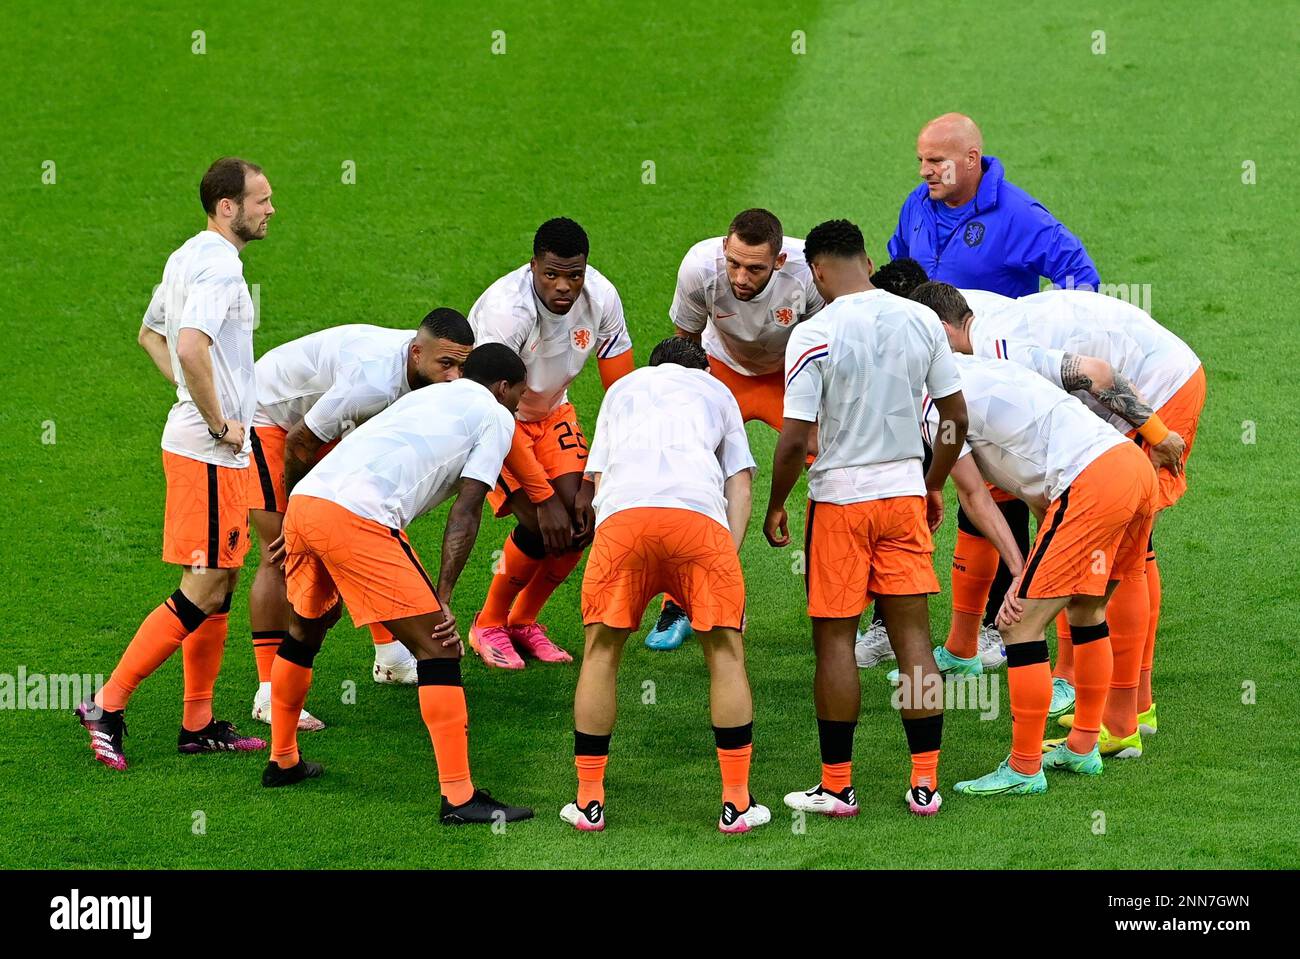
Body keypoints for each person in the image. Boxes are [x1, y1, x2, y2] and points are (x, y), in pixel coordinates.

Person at [912, 281, 1203, 753]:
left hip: (1157, 391)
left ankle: (1044, 755)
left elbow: (1098, 373)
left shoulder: (972, 361)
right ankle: (1120, 719)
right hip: (1111, 445)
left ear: (938, 329)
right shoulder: (976, 331)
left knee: (1033, 615)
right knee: (1094, 591)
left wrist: (1156, 431)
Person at [263, 344, 534, 826]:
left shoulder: (424, 396)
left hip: (308, 501)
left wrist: (296, 519)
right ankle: (459, 798)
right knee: (440, 649)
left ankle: (282, 760)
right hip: (358, 517)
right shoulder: (496, 415)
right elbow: (467, 509)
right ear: (504, 388)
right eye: (517, 394)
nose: (518, 404)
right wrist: (443, 598)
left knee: (306, 631)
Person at [764, 219, 968, 817]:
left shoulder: (814, 333)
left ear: (819, 270)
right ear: (868, 260)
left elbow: (795, 436)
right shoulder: (922, 318)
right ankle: (925, 784)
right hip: (904, 494)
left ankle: (836, 786)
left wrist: (778, 501)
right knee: (914, 640)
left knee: (835, 642)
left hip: (841, 504)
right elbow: (955, 417)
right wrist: (931, 484)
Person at [78, 157, 274, 770]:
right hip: (209, 452)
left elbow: (149, 335)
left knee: (222, 583)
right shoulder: (220, 268)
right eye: (262, 200)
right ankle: (107, 704)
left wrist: (195, 398)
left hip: (213, 449)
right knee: (206, 585)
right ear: (227, 208)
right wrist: (215, 419)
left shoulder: (187, 254)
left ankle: (198, 723)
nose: (271, 210)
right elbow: (188, 345)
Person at [888, 113, 1102, 665]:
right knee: (952, 493)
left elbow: (1080, 280)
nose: (924, 171)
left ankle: (1008, 626)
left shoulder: (1019, 216)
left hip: (998, 384)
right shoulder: (918, 204)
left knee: (1009, 496)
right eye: (920, 160)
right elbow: (900, 271)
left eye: (935, 162)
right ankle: (927, 627)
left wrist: (1042, 345)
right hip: (931, 379)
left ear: (971, 158)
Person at [563, 337, 767, 833]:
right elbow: (739, 484)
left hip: (623, 524)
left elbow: (593, 482)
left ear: (655, 365)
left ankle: (589, 803)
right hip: (698, 525)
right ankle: (737, 805)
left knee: (601, 653)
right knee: (725, 654)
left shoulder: (624, 389)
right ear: (703, 368)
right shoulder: (717, 391)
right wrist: (725, 555)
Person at [930, 360, 1158, 795]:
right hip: (1131, 467)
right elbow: (1042, 493)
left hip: (1092, 480)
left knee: (1017, 625)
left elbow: (975, 496)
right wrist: (1033, 566)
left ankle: (1023, 768)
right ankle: (1082, 747)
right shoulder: (982, 366)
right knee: (1087, 609)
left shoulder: (934, 402)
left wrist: (1018, 572)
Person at [245, 310, 474, 732]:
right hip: (269, 419)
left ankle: (390, 657)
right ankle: (267, 693)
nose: (455, 378)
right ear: (416, 353)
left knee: (365, 524)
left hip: (327, 424)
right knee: (282, 553)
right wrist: (297, 516)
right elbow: (299, 440)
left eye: (462, 366)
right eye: (447, 366)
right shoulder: (373, 382)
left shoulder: (425, 369)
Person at [643, 208, 825, 651]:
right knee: (693, 471)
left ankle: (833, 605)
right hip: (722, 372)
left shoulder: (809, 275)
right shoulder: (699, 268)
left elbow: (828, 344)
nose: (741, 277)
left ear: (779, 261)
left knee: (835, 464)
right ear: (725, 249)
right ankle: (678, 604)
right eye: (735, 264)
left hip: (789, 377)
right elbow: (681, 347)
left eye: (756, 268)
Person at [467, 218, 635, 669]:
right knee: (543, 526)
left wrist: (594, 479)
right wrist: (542, 498)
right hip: (496, 419)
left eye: (574, 274)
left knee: (585, 519)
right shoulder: (508, 313)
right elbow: (490, 406)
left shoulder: (602, 299)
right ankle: (487, 623)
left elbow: (622, 396)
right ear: (533, 265)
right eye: (551, 274)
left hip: (553, 410)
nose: (564, 286)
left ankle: (523, 621)